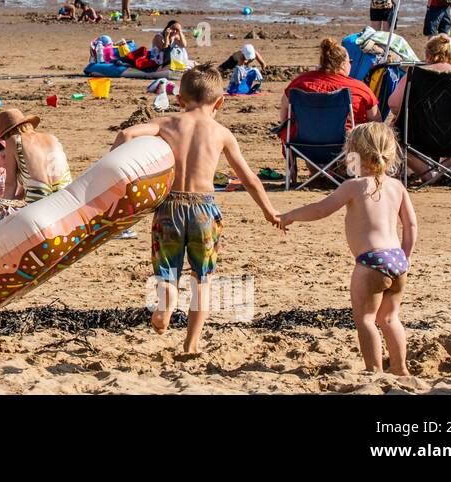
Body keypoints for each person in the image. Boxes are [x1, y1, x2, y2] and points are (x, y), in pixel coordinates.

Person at [112, 64, 280, 354]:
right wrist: (269, 211)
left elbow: (126, 135)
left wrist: (119, 176)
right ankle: (191, 345)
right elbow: (248, 178)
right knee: (203, 278)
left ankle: (165, 308)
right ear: (220, 102)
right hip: (204, 209)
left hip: (168, 206)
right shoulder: (222, 133)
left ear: (179, 100)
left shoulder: (166, 123)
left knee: (167, 272)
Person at [278, 122, 417, 376]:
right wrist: (405, 256)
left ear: (354, 153)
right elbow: (410, 224)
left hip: (370, 262)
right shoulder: (397, 186)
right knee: (389, 319)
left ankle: (374, 369)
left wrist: (291, 215)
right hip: (397, 260)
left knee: (365, 319)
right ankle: (400, 368)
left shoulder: (354, 186)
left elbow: (321, 209)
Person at [278, 38, 380, 139]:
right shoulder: (359, 88)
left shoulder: (300, 83)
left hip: (303, 145)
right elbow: (377, 121)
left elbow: (284, 108)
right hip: (345, 146)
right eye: (350, 62)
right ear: (343, 65)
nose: (351, 65)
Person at [0, 108, 71, 203]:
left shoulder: (14, 140)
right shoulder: (52, 138)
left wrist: (3, 208)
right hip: (66, 196)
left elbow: (11, 184)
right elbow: (33, 177)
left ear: (7, 133)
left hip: (39, 203)